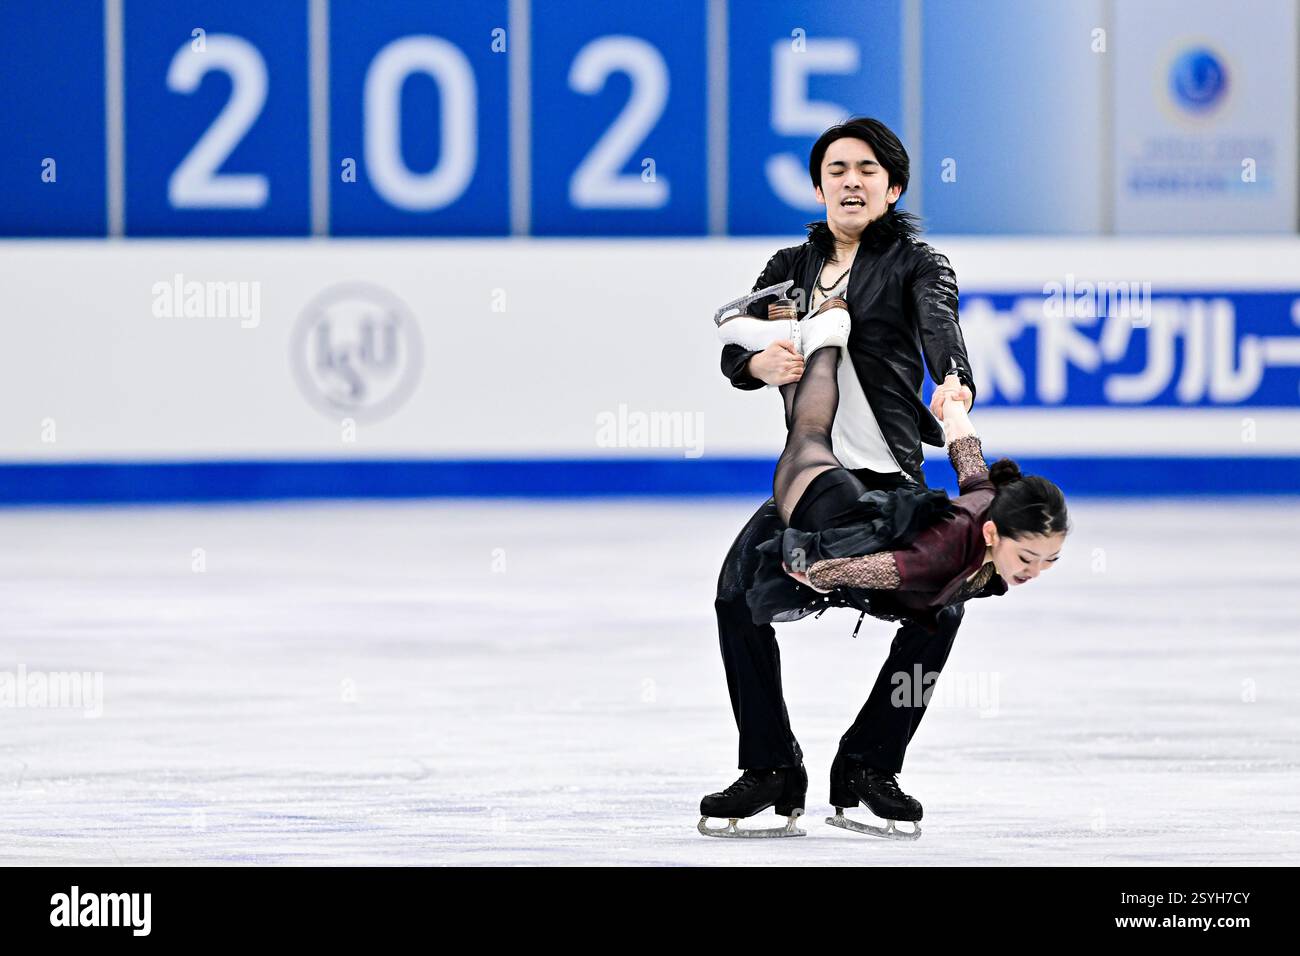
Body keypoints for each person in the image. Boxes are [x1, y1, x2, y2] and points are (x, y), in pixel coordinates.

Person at [699, 117, 1066, 840]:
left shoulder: (916, 263)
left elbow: (941, 327)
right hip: (808, 480)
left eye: (868, 170)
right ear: (819, 184)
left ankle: (869, 765)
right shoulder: (789, 266)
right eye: (838, 169)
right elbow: (737, 340)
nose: (852, 181)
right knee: (734, 595)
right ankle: (772, 767)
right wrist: (754, 367)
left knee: (941, 608)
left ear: (892, 188)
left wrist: (954, 383)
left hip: (887, 480)